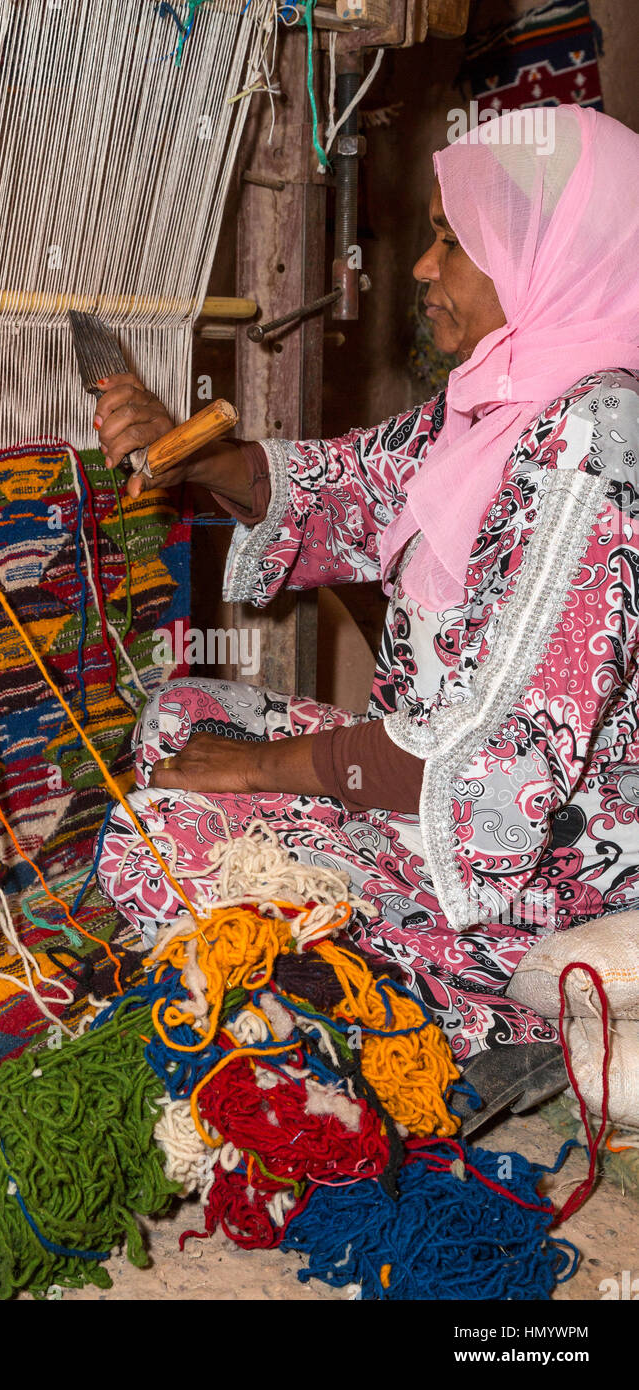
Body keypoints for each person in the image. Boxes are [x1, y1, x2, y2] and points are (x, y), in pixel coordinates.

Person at [92, 104, 639, 1130]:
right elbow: (354, 487)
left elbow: (496, 764)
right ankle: (397, 993)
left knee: (155, 834)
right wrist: (197, 452)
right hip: (431, 783)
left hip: (533, 862)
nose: (423, 269)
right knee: (179, 720)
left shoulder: (599, 438)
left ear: (538, 255)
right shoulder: (505, 391)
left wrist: (256, 772)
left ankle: (474, 1020)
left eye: (450, 241)